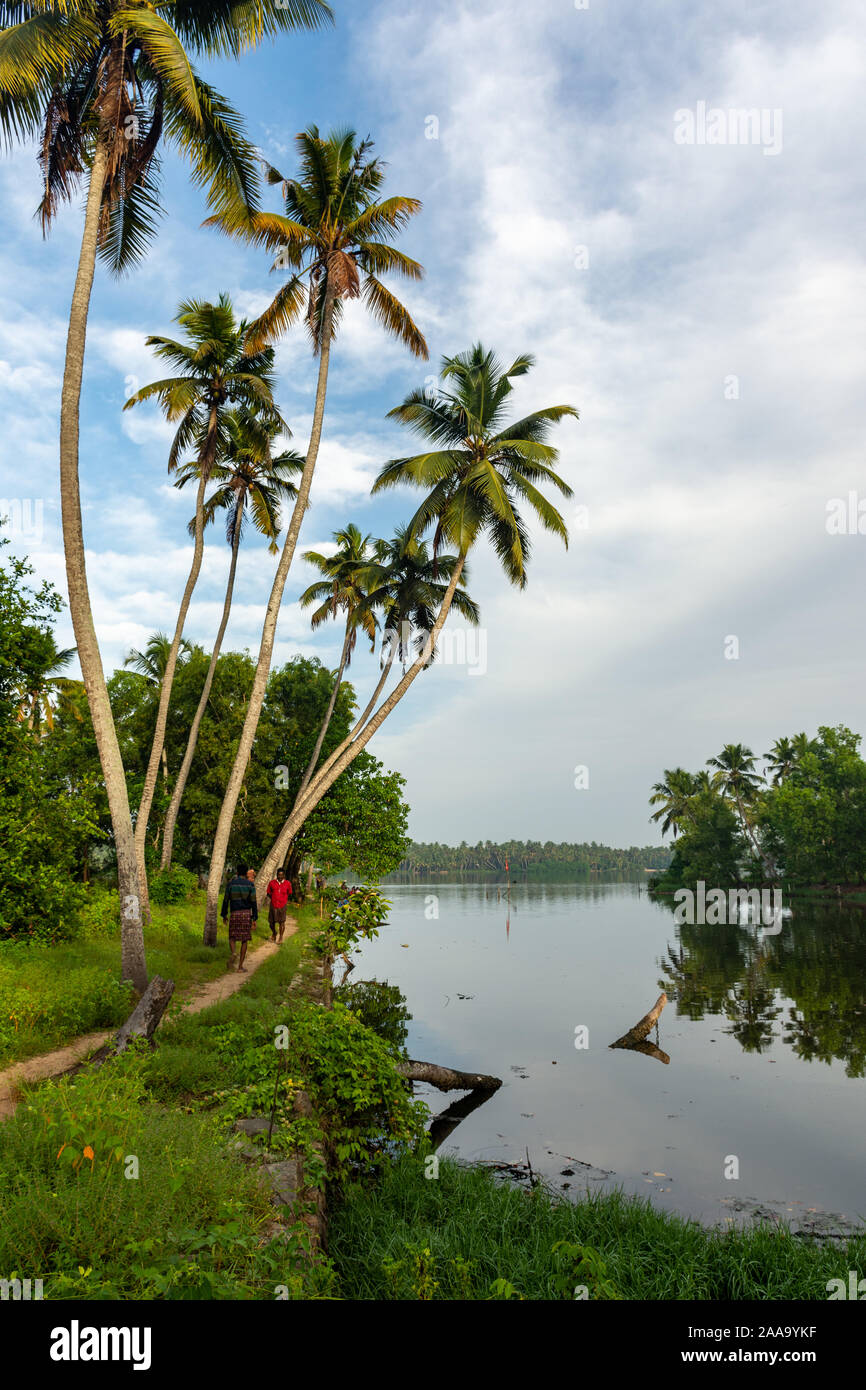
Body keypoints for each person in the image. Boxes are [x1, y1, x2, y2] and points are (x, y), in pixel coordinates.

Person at [221, 864, 257, 971]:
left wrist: (224, 914)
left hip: (234, 913)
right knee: (244, 940)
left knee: (232, 937)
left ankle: (233, 952)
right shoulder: (250, 885)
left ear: (237, 872)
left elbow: (226, 900)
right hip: (246, 914)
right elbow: (253, 902)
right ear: (246, 873)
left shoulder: (231, 884)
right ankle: (240, 966)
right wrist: (254, 917)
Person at [266, 867, 293, 944]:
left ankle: (281, 937)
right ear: (276, 875)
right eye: (278, 875)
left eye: (281, 875)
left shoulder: (288, 883)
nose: (280, 876)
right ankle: (274, 933)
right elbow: (268, 893)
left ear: (284, 875)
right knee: (271, 922)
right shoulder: (272, 883)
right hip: (273, 905)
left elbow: (289, 893)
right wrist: (274, 898)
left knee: (282, 922)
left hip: (282, 905)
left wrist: (283, 899)